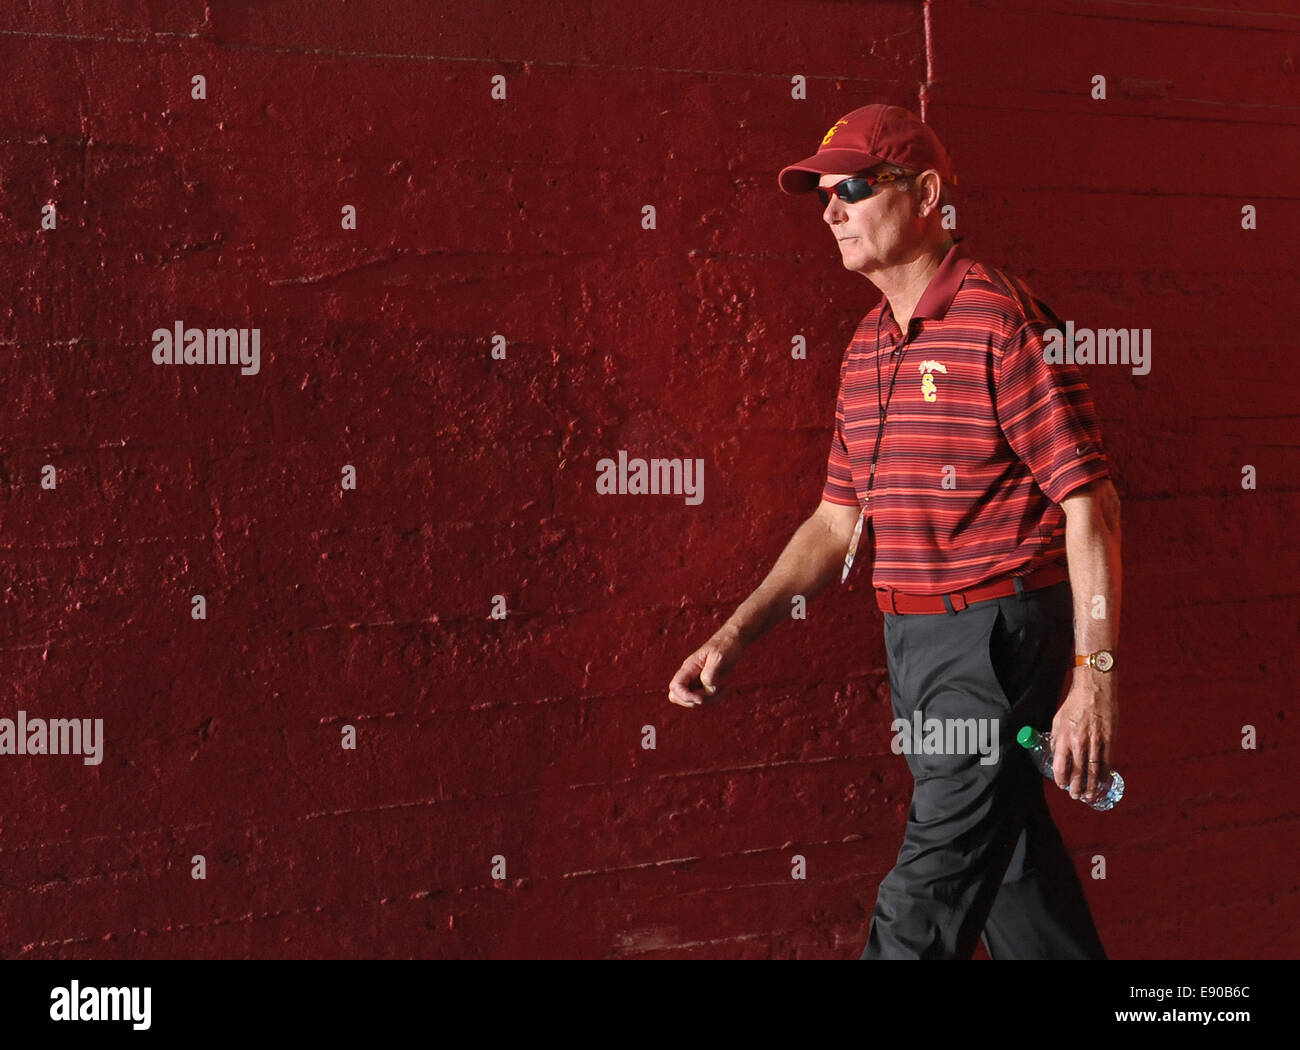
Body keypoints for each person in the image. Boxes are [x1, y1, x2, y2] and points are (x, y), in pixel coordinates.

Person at [667, 104, 1121, 960]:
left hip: (993, 643)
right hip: (912, 644)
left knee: (924, 900)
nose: (830, 210)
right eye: (821, 196)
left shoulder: (1000, 320)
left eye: (850, 188)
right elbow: (837, 524)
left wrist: (1092, 678)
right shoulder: (870, 347)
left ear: (926, 196)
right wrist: (736, 632)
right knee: (1013, 871)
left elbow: (1089, 502)